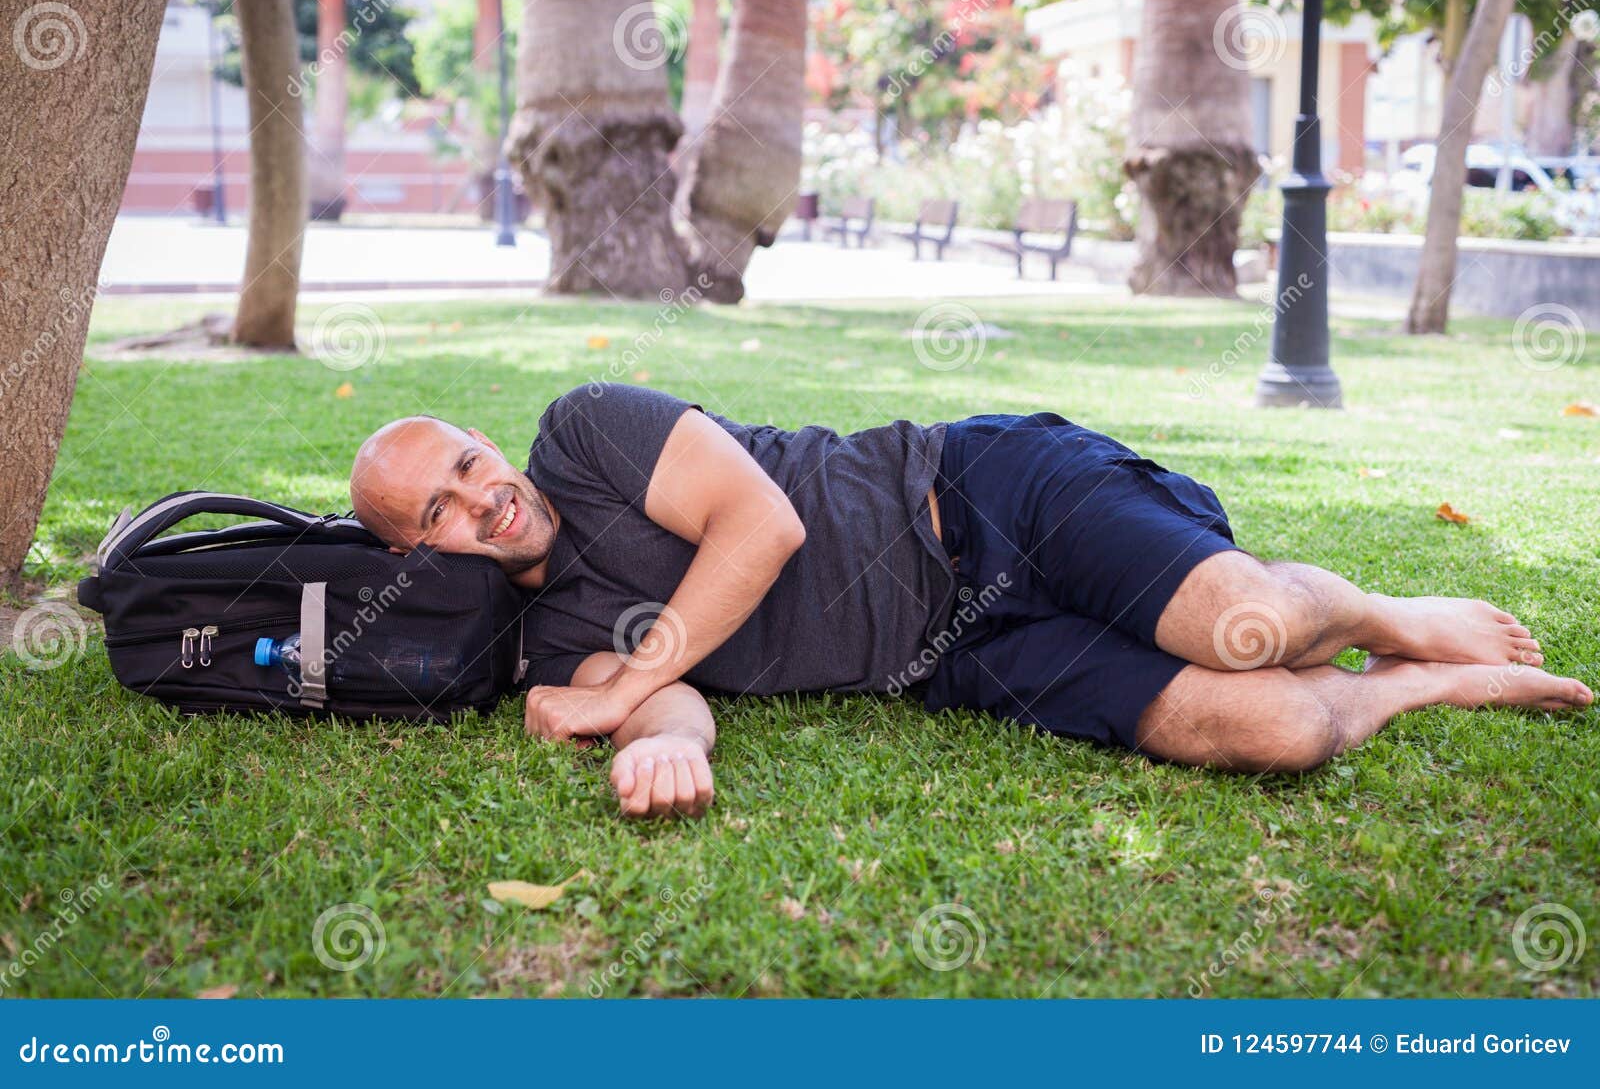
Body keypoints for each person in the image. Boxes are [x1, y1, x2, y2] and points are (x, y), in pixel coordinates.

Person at [348, 384, 1590, 819]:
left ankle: (1382, 611)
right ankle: (1421, 683)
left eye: (467, 467)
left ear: (486, 443)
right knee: (1281, 730)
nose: (480, 504)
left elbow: (762, 525)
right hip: (954, 656)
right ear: (422, 555)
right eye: (440, 517)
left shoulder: (584, 431)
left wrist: (620, 679)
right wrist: (656, 746)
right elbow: (670, 706)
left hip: (980, 491)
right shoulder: (545, 638)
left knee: (1242, 625)